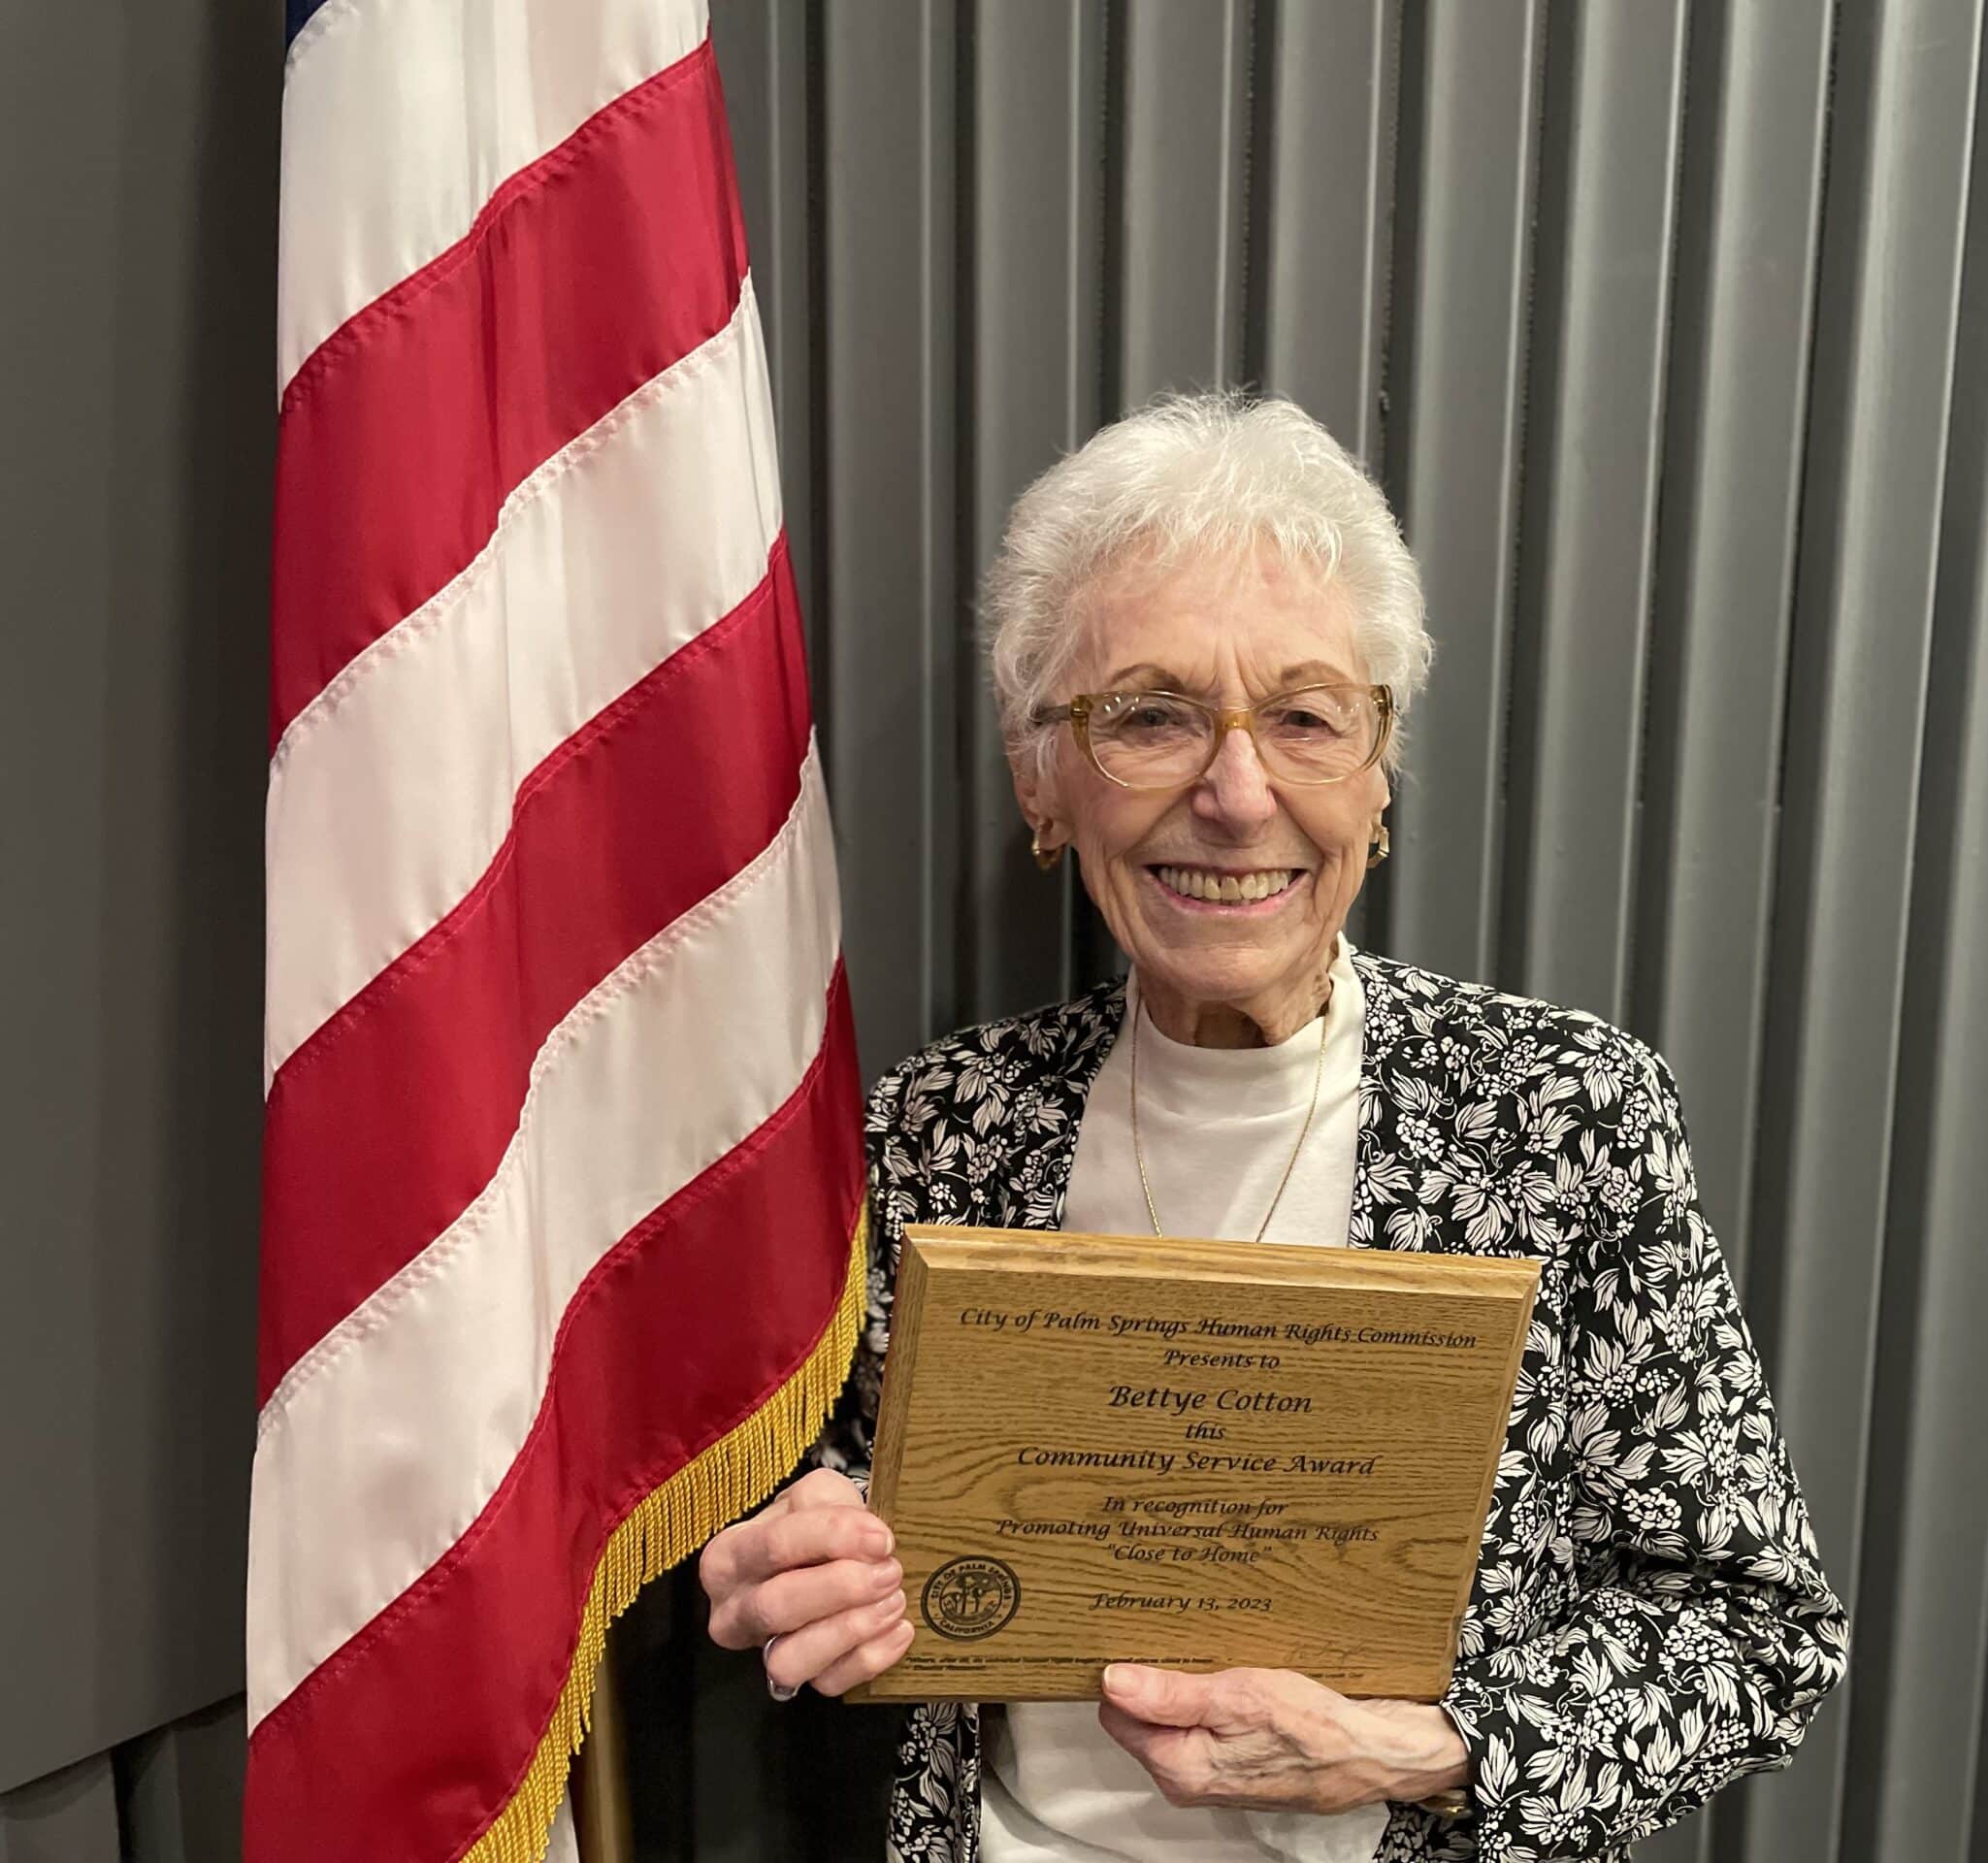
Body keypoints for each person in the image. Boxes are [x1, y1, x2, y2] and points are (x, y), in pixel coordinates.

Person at [696, 392, 1848, 1861]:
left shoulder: (1564, 1118)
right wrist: (801, 1563)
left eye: (1304, 717)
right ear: (1042, 784)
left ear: (1376, 783)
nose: (1237, 796)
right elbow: (865, 1499)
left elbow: (1756, 1633)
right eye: (1151, 716)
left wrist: (1420, 1751)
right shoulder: (944, 1127)